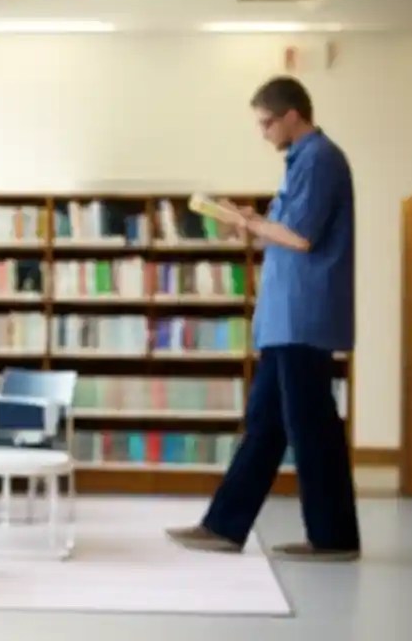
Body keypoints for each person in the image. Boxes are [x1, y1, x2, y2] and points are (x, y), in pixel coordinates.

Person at [168, 76, 360, 561]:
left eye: (267, 122)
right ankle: (225, 526)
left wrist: (249, 222)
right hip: (285, 319)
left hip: (303, 318)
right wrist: (250, 220)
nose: (264, 132)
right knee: (267, 424)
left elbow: (300, 237)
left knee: (310, 426)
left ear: (292, 114)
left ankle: (334, 537)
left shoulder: (319, 159)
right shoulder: (301, 163)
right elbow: (286, 231)